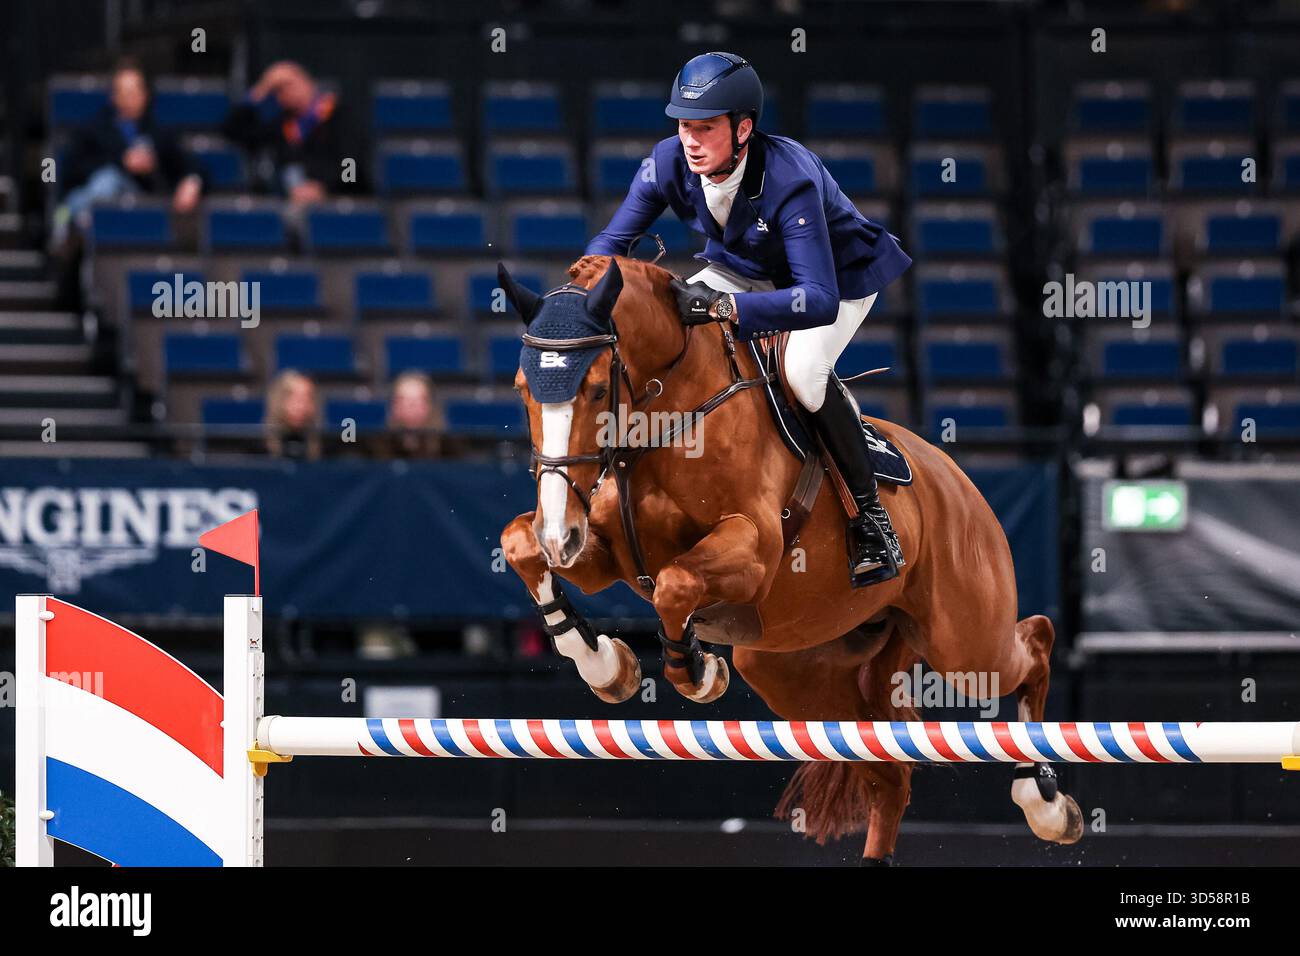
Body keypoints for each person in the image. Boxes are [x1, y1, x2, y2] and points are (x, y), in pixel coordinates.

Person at [586, 52, 913, 587]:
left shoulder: (790, 178)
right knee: (672, 325)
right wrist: (580, 293)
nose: (690, 140)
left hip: (835, 281)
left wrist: (724, 308)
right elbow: (612, 244)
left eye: (705, 128)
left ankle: (871, 518)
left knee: (803, 373)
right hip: (746, 271)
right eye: (684, 126)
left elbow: (816, 298)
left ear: (743, 128)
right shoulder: (667, 161)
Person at [51, 57, 204, 250]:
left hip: (144, 209)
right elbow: (71, 171)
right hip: (100, 203)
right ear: (113, 96)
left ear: (145, 94)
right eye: (123, 92)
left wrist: (191, 181)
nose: (129, 98)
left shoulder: (159, 131)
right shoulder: (93, 130)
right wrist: (122, 162)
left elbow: (191, 164)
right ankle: (72, 219)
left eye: (134, 92)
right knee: (106, 180)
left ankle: (71, 218)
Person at [223, 60, 348, 204]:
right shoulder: (281, 124)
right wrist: (260, 90)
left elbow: (351, 160)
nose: (287, 93)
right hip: (288, 201)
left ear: (308, 82)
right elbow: (232, 131)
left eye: (291, 84)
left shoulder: (339, 115)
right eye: (278, 90)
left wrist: (324, 187)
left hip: (336, 200)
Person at [264, 369, 322, 460]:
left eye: (308, 398)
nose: (301, 406)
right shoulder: (255, 448)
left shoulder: (327, 449)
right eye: (293, 398)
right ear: (278, 400)